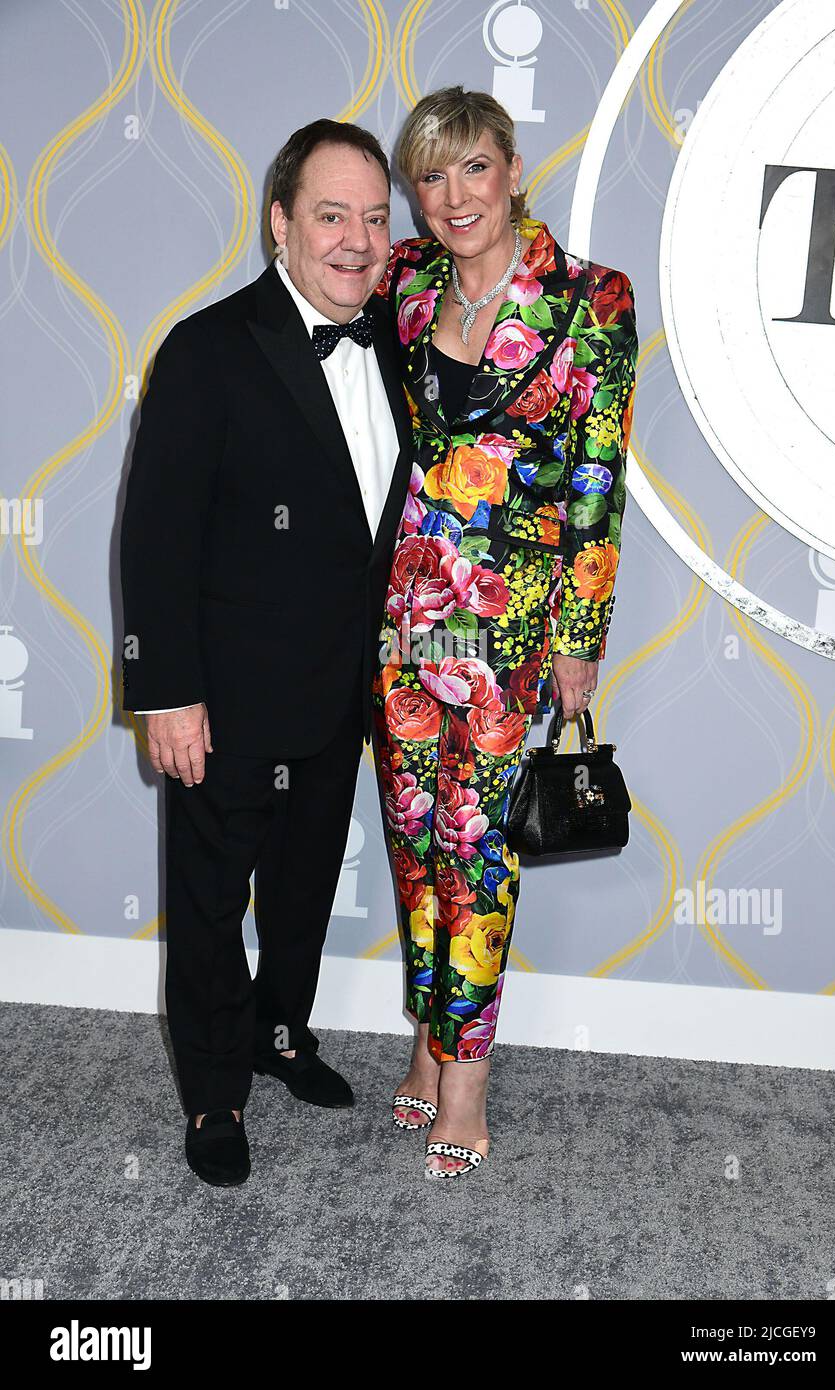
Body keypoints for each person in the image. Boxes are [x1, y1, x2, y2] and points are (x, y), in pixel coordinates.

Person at [120, 119, 412, 1186]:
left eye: (375, 219)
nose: (356, 240)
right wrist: (167, 693)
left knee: (300, 890)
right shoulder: (207, 349)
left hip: (342, 694)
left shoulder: (391, 340)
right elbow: (154, 534)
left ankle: (281, 1033)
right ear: (280, 224)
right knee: (212, 903)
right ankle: (212, 1096)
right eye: (331, 215)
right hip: (226, 699)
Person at [372, 87, 638, 1179]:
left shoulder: (591, 300)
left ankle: (467, 1077)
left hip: (515, 626)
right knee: (410, 834)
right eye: (429, 177)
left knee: (476, 854)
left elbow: (594, 475)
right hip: (408, 611)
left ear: (512, 167)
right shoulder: (402, 282)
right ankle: (429, 1041)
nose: (450, 197)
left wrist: (580, 633)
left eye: (470, 168)